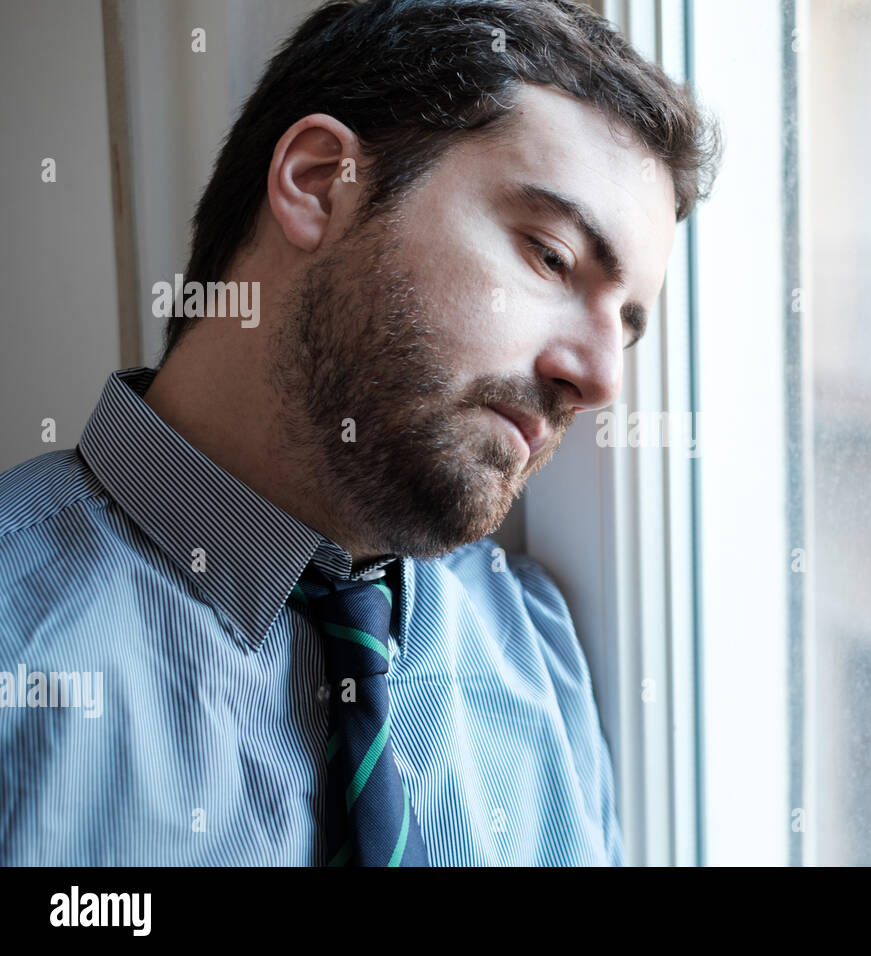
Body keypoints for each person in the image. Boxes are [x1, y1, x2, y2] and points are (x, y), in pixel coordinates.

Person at [0, 0, 721, 866]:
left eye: (627, 326)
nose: (600, 379)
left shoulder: (537, 655)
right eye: (552, 257)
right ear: (317, 182)